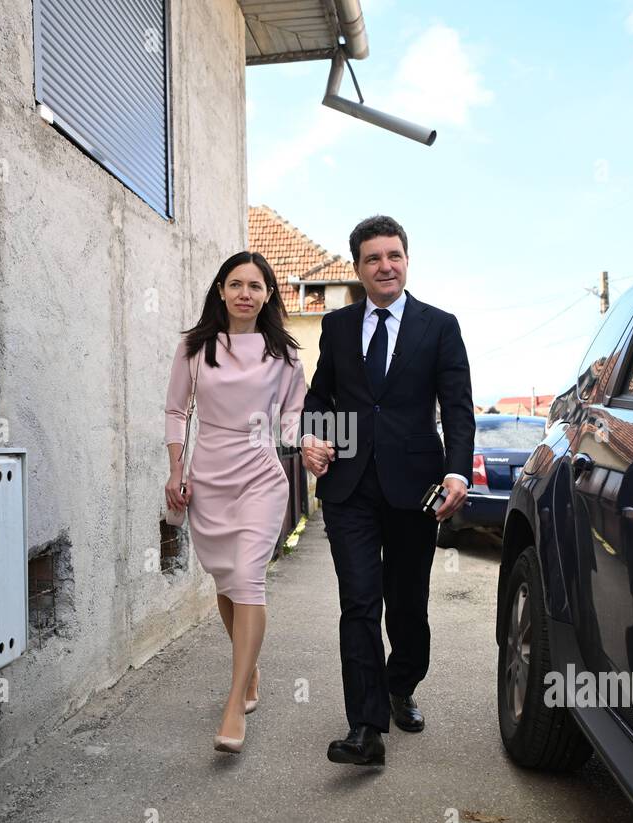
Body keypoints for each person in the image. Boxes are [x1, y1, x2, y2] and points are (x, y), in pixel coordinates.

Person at [300, 215, 475, 766]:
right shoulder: (337, 326)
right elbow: (320, 398)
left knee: (406, 605)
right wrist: (312, 439)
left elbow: (459, 409)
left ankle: (402, 685)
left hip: (415, 487)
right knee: (358, 601)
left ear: (407, 259)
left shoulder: (439, 326)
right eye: (372, 258)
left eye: (393, 255)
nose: (385, 266)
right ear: (357, 267)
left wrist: (458, 471)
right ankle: (365, 727)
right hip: (348, 487)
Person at [164, 251, 306, 755]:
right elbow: (177, 410)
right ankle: (251, 669)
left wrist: (308, 443)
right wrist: (176, 469)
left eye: (257, 286)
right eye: (236, 284)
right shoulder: (194, 347)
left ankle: (233, 702)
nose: (246, 293)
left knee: (248, 578)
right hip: (209, 476)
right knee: (226, 580)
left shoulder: (285, 354)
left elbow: (291, 420)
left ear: (268, 295)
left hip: (261, 475)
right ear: (221, 290)